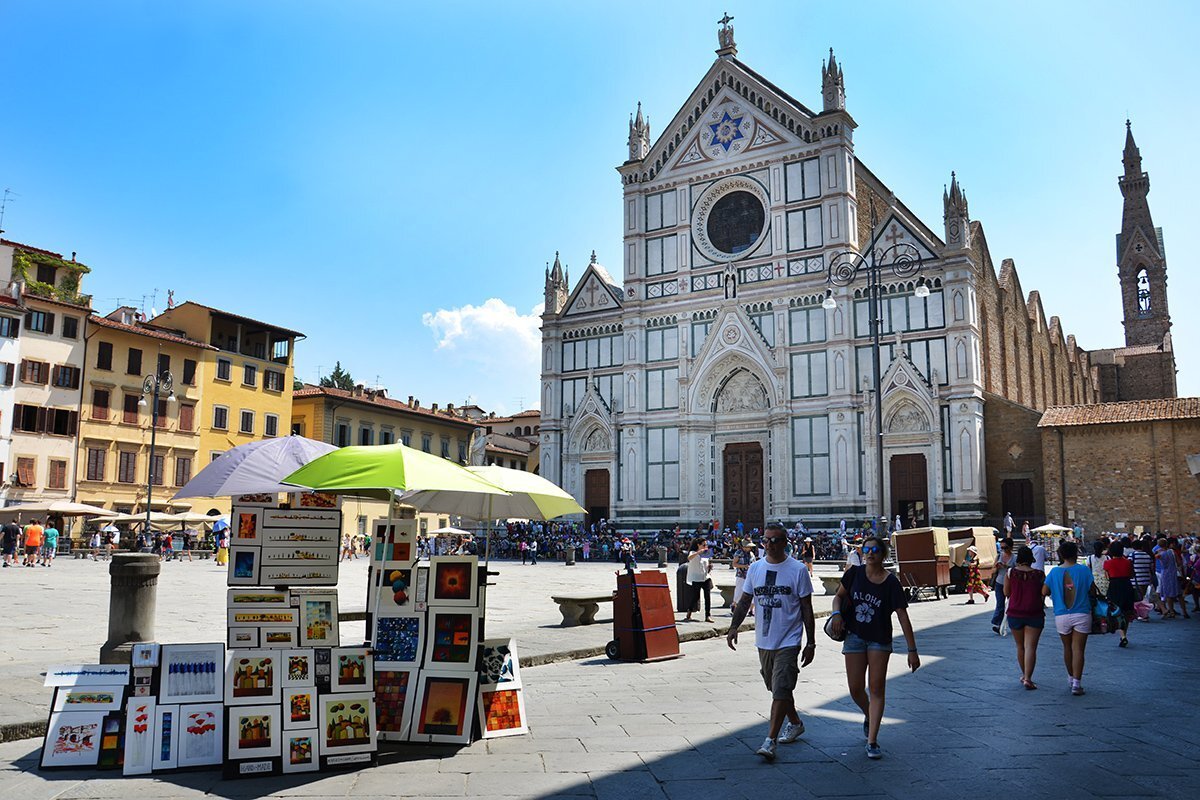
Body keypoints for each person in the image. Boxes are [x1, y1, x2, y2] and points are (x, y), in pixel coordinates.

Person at [726, 523, 815, 762]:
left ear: (786, 542)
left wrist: (811, 642)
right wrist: (734, 627)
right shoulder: (755, 568)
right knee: (776, 689)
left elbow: (807, 608)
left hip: (789, 639)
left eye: (775, 540)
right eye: (766, 540)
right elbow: (745, 600)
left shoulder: (797, 570)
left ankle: (770, 740)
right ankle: (795, 722)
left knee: (781, 688)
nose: (769, 544)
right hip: (764, 640)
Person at [829, 534, 919, 760]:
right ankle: (869, 713)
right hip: (854, 636)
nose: (869, 554)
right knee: (855, 688)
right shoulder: (854, 574)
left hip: (879, 639)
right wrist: (836, 614)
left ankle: (872, 741)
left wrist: (912, 650)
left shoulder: (891, 583)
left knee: (877, 688)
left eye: (874, 551)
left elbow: (903, 616)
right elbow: (838, 597)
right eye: (866, 550)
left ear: (883, 555)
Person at [1042, 541, 1095, 696]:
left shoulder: (1053, 572)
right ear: (1076, 553)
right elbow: (1092, 590)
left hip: (1061, 614)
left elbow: (1044, 591)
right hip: (1082, 613)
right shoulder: (1084, 570)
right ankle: (1077, 684)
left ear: (1061, 554)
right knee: (1078, 649)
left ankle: (1071, 677)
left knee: (1067, 647)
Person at [1005, 546, 1045, 689]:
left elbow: (1006, 592)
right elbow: (1043, 593)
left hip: (1015, 612)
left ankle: (1024, 675)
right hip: (1034, 612)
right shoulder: (1039, 574)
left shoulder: (1011, 573)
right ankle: (1028, 677)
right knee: (1031, 647)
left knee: (1020, 646)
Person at [1102, 541, 1135, 648]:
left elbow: (1107, 577)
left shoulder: (1107, 563)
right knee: (1126, 611)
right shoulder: (1128, 562)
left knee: (1116, 611)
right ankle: (1124, 634)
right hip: (1126, 585)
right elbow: (1131, 575)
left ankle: (1122, 635)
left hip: (1114, 587)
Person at [683, 537, 714, 623]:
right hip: (696, 578)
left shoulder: (706, 554)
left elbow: (706, 564)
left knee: (707, 597)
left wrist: (709, 567)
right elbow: (689, 558)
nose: (705, 546)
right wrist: (698, 552)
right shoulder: (693, 552)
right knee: (695, 597)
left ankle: (708, 615)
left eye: (706, 545)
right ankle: (689, 612)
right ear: (698, 545)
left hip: (705, 577)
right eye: (704, 545)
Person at [1154, 537, 1186, 619]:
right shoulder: (1172, 551)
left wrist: (1158, 551)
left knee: (1168, 594)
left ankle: (1171, 611)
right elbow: (1179, 562)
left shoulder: (1160, 554)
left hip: (1165, 573)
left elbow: (1155, 556)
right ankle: (1184, 612)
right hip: (1174, 572)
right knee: (1179, 594)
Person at [991, 538, 1014, 633]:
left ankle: (1012, 624)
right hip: (999, 582)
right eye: (1001, 547)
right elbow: (992, 571)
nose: (1003, 549)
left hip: (1011, 584)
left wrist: (1007, 567)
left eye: (1005, 547)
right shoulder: (999, 556)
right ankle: (998, 624)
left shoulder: (1015, 558)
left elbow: (1017, 570)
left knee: (1011, 605)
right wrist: (996, 567)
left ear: (1011, 547)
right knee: (1000, 604)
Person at [732, 539, 757, 607]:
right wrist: (744, 566)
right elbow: (734, 564)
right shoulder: (739, 553)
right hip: (741, 575)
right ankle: (735, 606)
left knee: (752, 591)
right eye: (748, 547)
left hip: (750, 575)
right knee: (739, 592)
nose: (750, 548)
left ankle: (751, 609)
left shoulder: (751, 554)